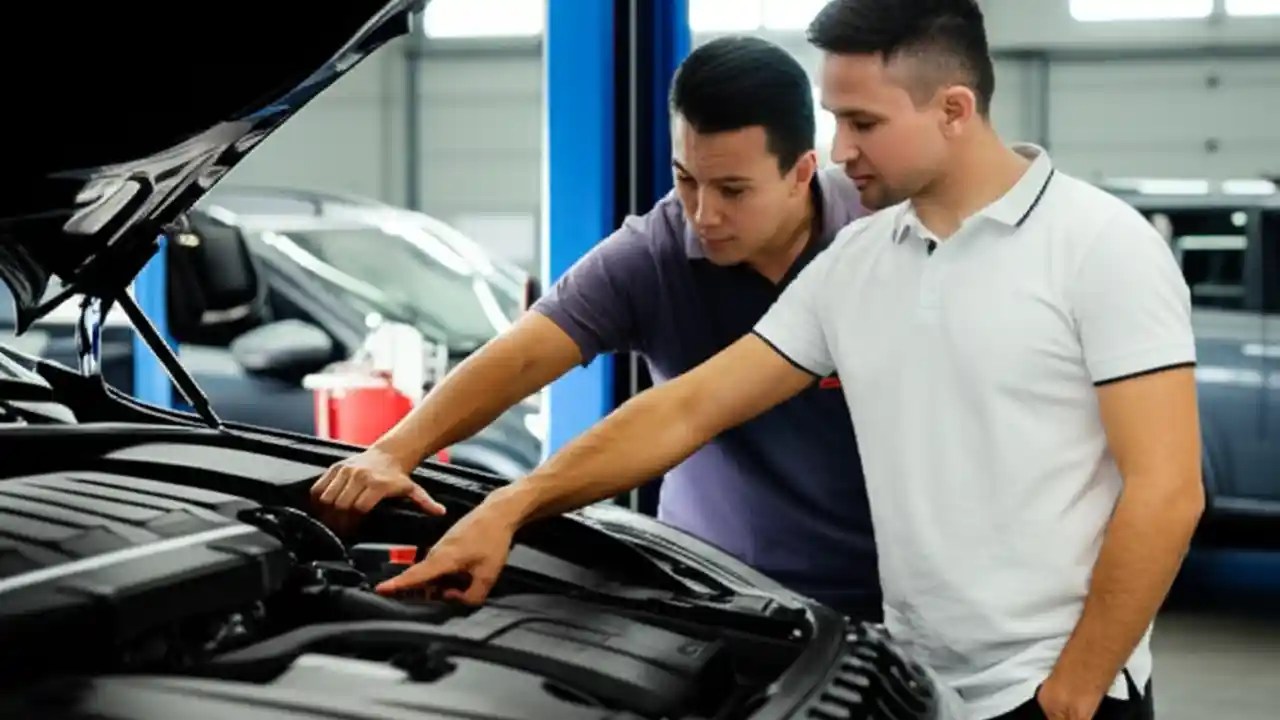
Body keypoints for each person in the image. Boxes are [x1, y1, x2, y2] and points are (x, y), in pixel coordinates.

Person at [370, 1, 1205, 719]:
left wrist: (1076, 688)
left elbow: (1167, 491)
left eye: (864, 122)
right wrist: (510, 507)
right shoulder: (862, 260)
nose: (839, 151)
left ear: (954, 109)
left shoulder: (1100, 246)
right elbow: (689, 406)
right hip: (911, 676)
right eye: (837, 120)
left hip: (1052, 687)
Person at [310, 35, 882, 619]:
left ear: (801, 171)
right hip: (716, 593)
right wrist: (394, 452)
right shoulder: (654, 254)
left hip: (880, 596)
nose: (704, 215)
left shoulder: (882, 241)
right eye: (686, 179)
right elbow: (524, 355)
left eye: (734, 190)